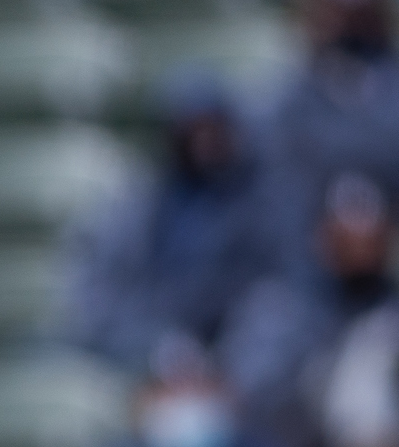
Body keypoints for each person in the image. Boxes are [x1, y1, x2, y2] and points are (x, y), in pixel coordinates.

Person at [64, 68, 263, 374]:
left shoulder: (254, 205)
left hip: (218, 361)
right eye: (193, 129)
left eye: (213, 128)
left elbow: (258, 301)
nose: (205, 141)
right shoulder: (137, 203)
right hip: (132, 353)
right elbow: (98, 295)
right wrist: (154, 347)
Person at [222, 170, 399, 447]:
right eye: (347, 235)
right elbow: (246, 396)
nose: (360, 248)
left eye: (371, 235)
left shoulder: (393, 310)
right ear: (323, 235)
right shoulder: (278, 306)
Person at [256, 0, 399, 275]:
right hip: (310, 263)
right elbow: (280, 190)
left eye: (359, 13)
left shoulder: (393, 83)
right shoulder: (290, 100)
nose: (348, 23)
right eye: (337, 12)